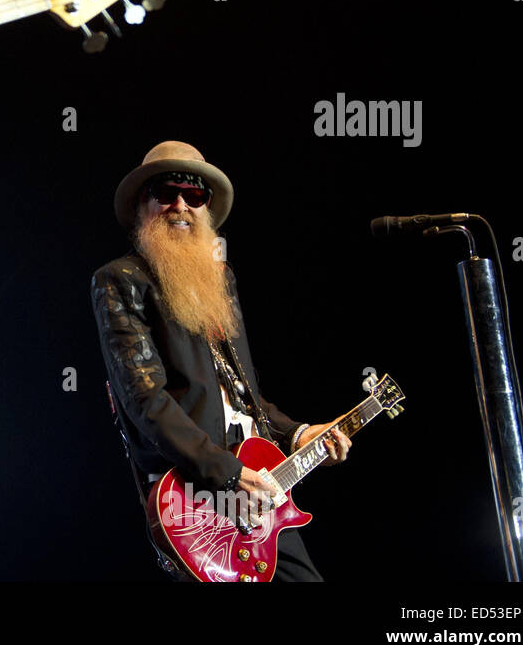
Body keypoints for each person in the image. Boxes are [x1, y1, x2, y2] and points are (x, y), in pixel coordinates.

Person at [90, 140, 352, 582]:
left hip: (257, 494)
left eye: (194, 195)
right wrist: (229, 474)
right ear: (142, 205)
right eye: (166, 191)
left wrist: (301, 433)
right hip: (196, 501)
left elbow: (244, 395)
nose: (180, 205)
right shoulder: (120, 279)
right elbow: (144, 400)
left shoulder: (221, 280)